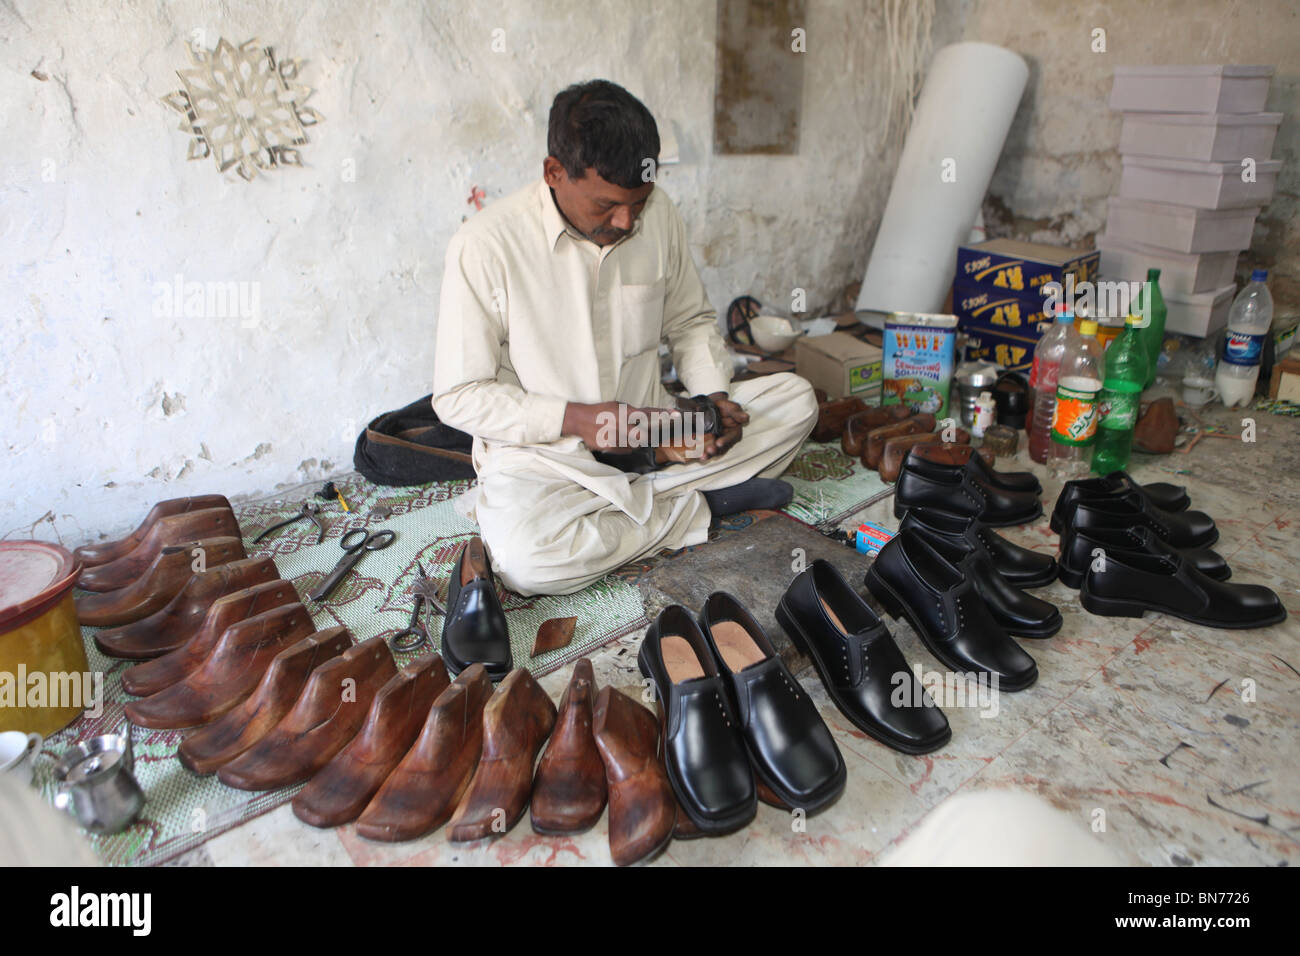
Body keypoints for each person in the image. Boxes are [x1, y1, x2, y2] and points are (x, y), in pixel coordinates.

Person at [433, 79, 817, 596]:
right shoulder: (484, 246)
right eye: (606, 205)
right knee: (527, 561)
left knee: (796, 399)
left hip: (657, 432)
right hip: (549, 457)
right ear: (554, 172)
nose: (627, 220)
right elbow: (458, 395)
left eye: (639, 201)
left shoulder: (656, 218)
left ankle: (651, 494)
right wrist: (576, 419)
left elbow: (690, 322)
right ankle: (698, 505)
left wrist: (713, 400)